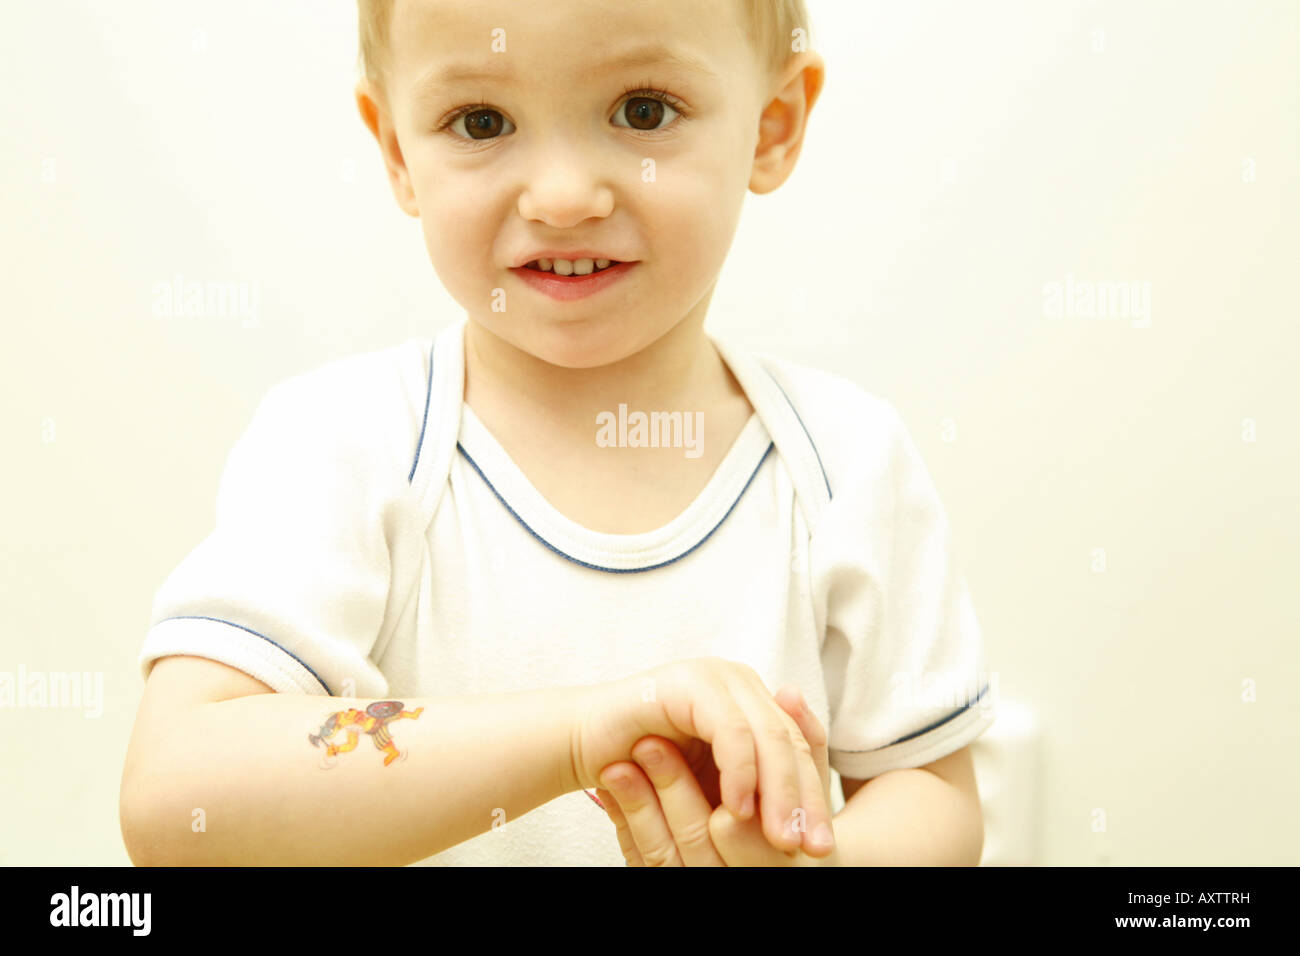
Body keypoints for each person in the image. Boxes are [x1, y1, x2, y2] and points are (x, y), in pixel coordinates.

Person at [120, 0, 995, 867]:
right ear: (396, 152)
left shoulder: (846, 464)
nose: (565, 196)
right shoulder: (345, 445)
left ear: (771, 127)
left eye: (643, 111)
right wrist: (580, 733)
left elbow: (934, 798)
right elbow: (174, 798)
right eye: (482, 120)